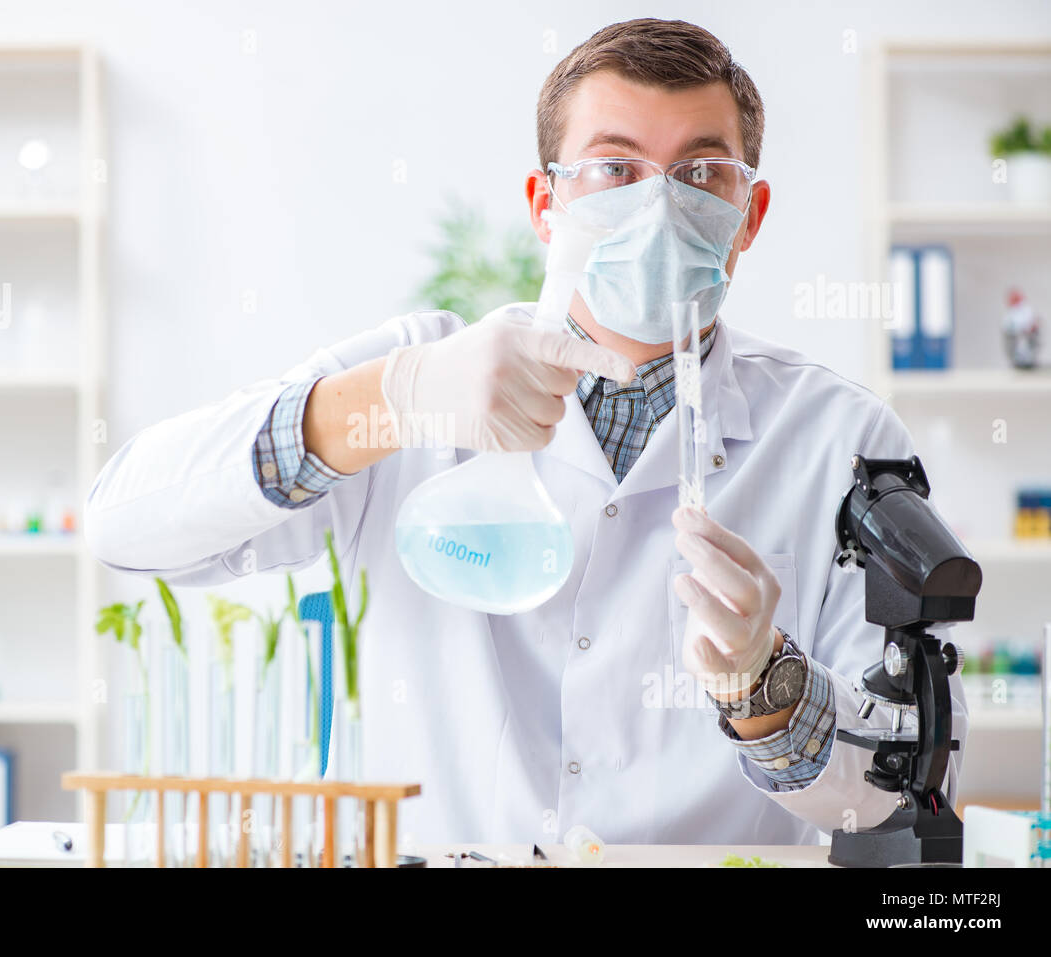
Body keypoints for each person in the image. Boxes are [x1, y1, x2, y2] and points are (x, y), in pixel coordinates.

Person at [86, 18, 967, 846]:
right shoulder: (417, 374)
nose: (659, 210)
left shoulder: (838, 438)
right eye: (615, 170)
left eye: (700, 174)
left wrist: (770, 690)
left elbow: (902, 803)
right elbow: (124, 524)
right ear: (545, 206)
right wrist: (390, 401)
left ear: (749, 216)